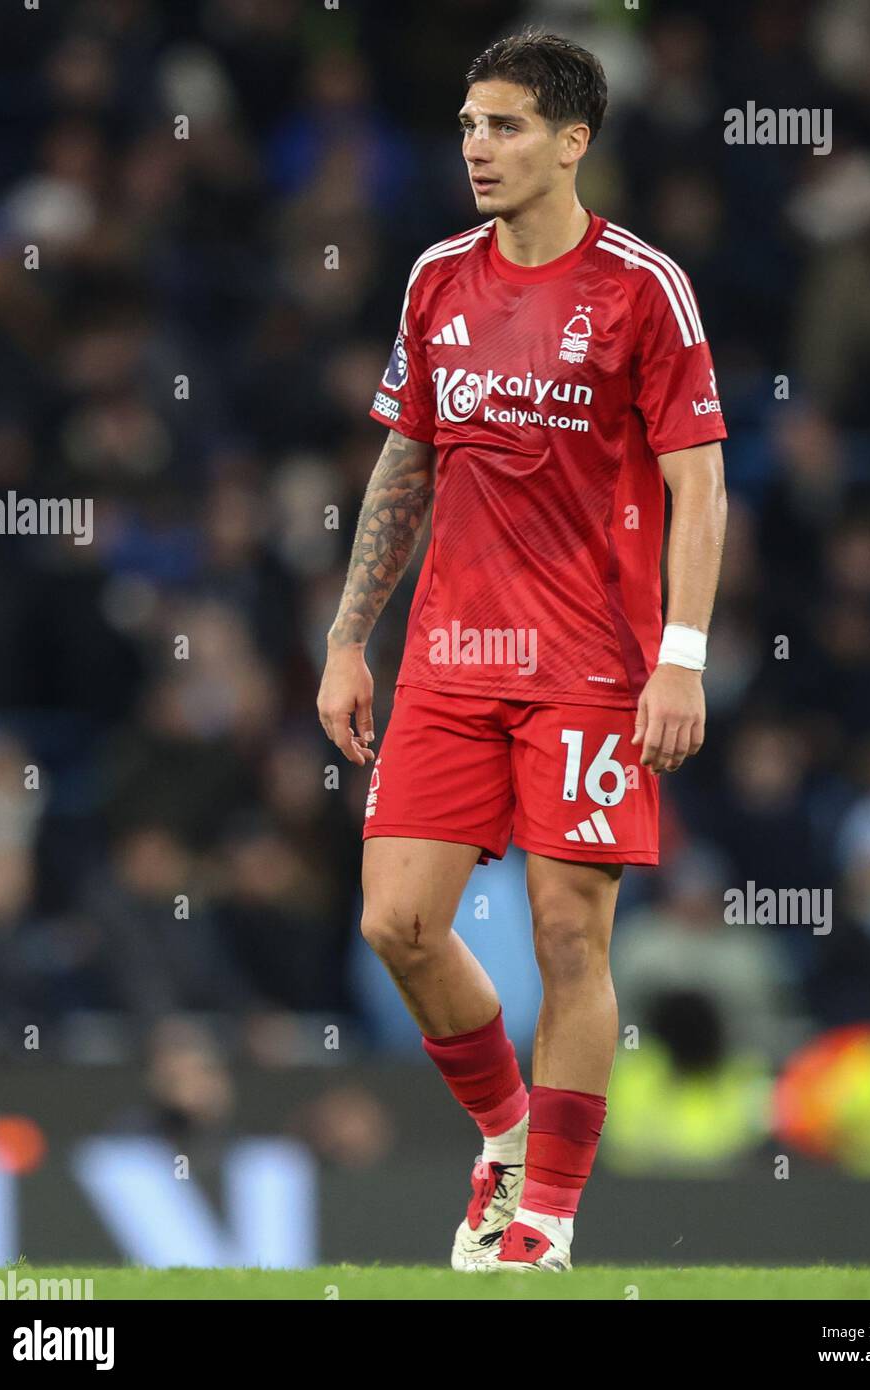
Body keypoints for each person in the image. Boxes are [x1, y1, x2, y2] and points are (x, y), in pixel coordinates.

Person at [317, 28, 727, 1272]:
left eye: (501, 126)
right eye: (464, 125)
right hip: (448, 657)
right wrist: (348, 639)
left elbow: (697, 484)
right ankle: (504, 1135)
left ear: (570, 141)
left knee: (566, 937)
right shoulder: (438, 277)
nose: (475, 149)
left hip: (592, 665)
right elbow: (406, 458)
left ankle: (542, 1216)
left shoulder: (641, 289)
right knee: (397, 923)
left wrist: (681, 654)